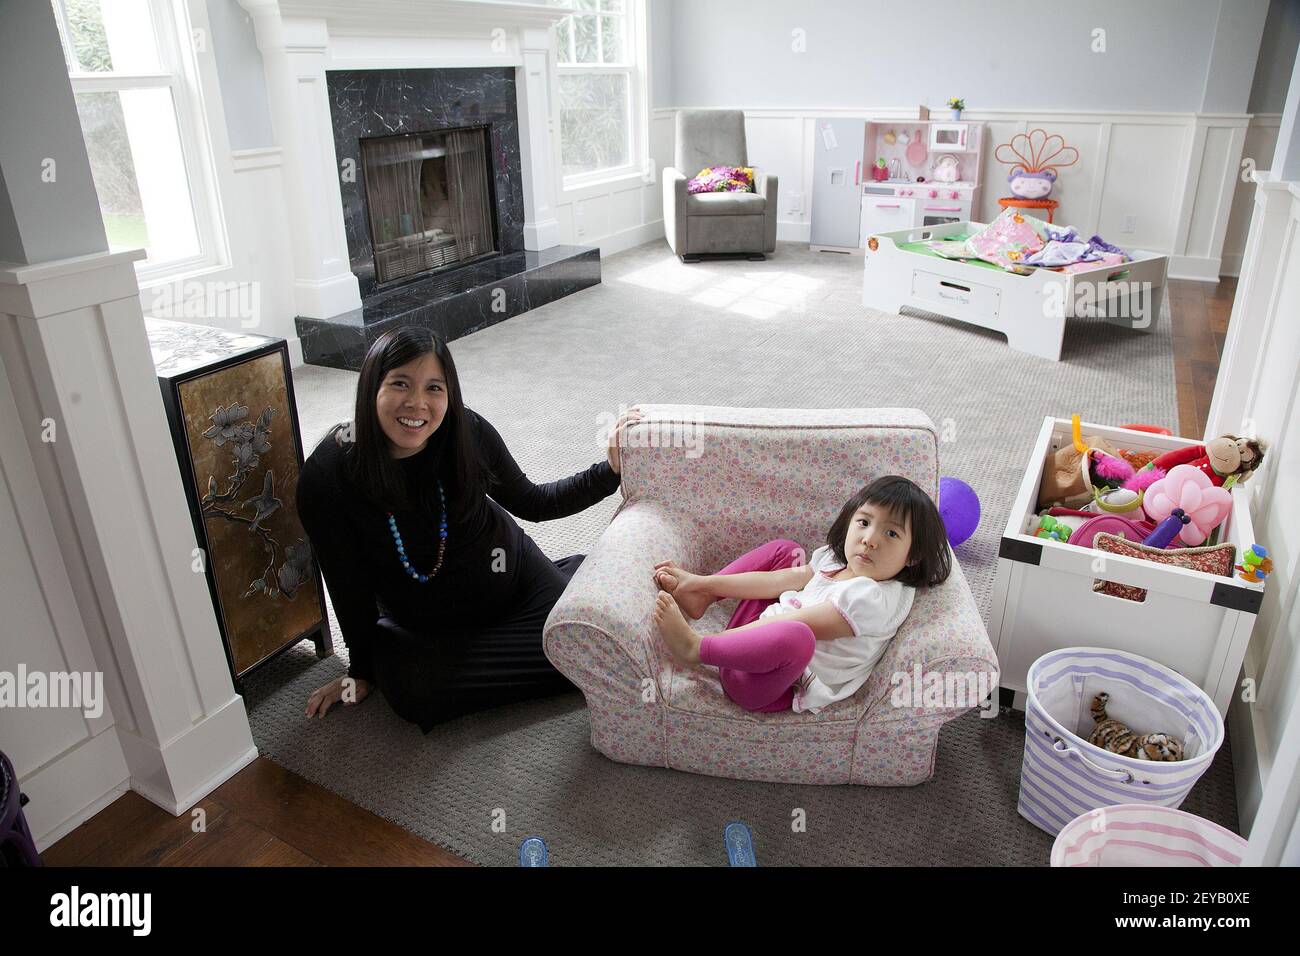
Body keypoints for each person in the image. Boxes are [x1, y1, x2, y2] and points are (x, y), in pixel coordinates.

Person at [296, 326, 639, 730]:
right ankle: (578, 592)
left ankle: (576, 588)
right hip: (425, 621)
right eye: (400, 384)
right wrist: (361, 668)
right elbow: (345, 582)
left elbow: (535, 501)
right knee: (412, 692)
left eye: (434, 388)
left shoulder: (467, 432)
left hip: (512, 580)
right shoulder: (328, 475)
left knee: (590, 650)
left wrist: (610, 469)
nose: (417, 404)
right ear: (371, 387)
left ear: (449, 395)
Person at [651, 476, 951, 714]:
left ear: (913, 556)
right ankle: (702, 595)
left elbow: (792, 624)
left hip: (765, 683)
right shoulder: (837, 563)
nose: (869, 540)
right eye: (864, 522)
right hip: (748, 644)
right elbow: (778, 581)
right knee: (785, 551)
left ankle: (696, 648)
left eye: (891, 534)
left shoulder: (873, 599)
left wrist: (715, 645)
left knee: (798, 636)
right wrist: (702, 582)